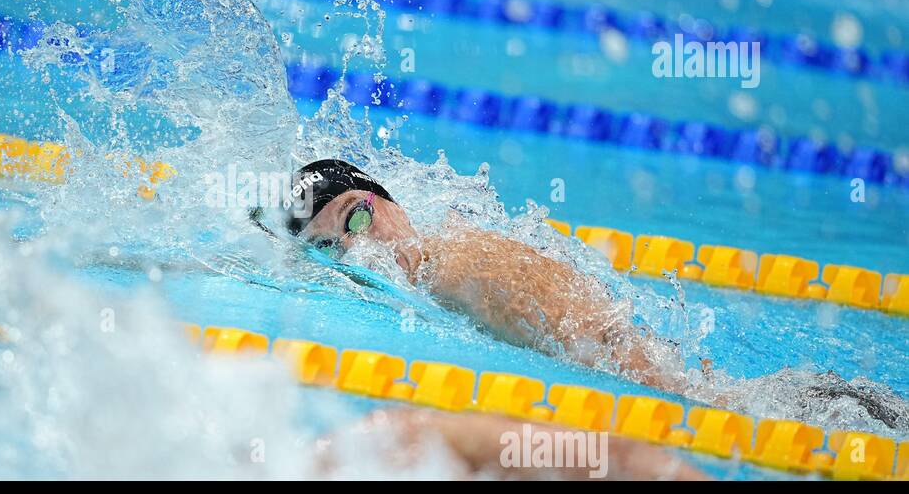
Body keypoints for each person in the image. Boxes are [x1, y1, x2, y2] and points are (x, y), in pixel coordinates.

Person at [281, 158, 687, 393]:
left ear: (392, 205)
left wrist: (664, 397)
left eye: (356, 216)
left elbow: (604, 332)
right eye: (327, 247)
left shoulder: (461, 265)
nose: (355, 247)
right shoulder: (423, 285)